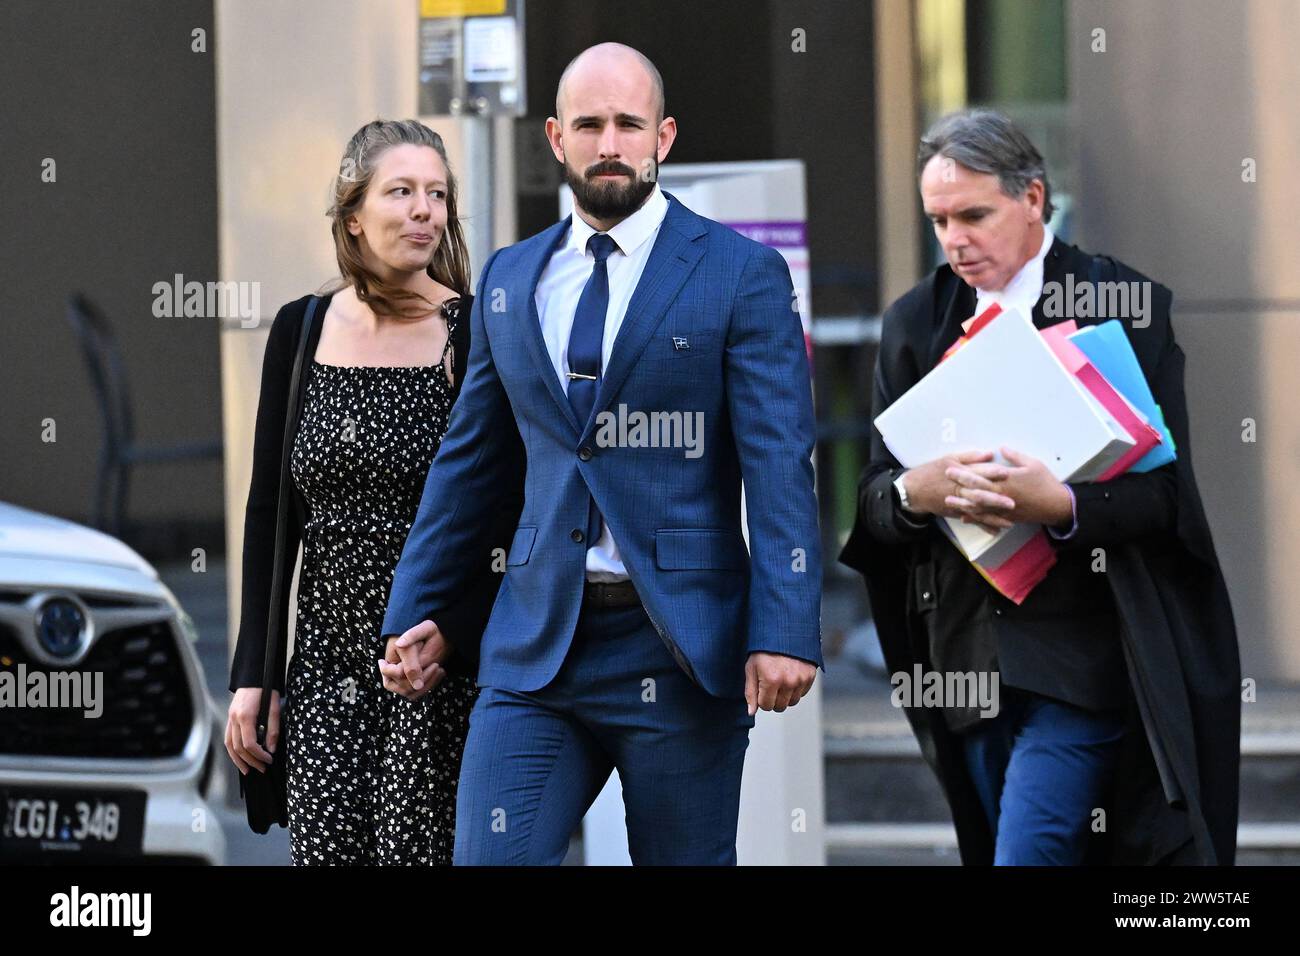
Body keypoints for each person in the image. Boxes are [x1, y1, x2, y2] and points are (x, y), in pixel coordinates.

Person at [381, 42, 823, 865]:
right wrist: (420, 609)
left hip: (681, 644)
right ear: (555, 137)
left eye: (629, 123)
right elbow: (470, 464)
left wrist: (787, 626)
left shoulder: (741, 274)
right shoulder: (511, 280)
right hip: (536, 648)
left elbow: (779, 465)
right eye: (589, 124)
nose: (609, 143)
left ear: (665, 136)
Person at [839, 108, 1240, 865]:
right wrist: (915, 492)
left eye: (974, 215)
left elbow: (1168, 502)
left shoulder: (1124, 303)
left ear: (1032, 198)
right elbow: (871, 507)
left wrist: (1059, 506)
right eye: (938, 220)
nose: (955, 239)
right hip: (960, 663)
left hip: (1084, 655)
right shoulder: (916, 323)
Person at [225, 119, 520, 865]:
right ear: (353, 214)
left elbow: (510, 514)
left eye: (438, 194)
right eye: (402, 191)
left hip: (432, 669)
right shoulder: (301, 330)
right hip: (325, 668)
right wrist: (254, 676)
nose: (424, 209)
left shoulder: (477, 331)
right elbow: (271, 515)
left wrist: (453, 631)